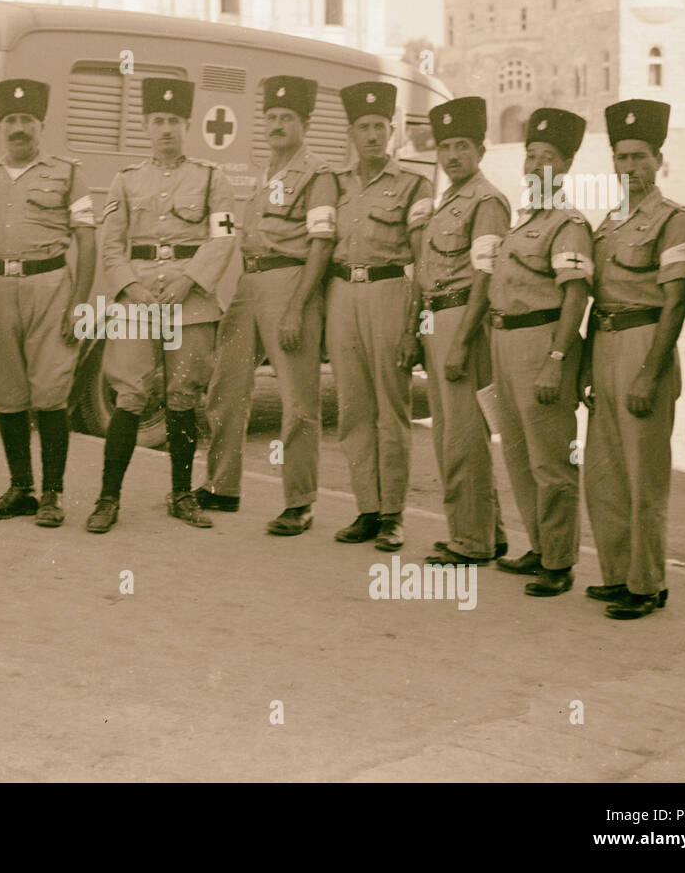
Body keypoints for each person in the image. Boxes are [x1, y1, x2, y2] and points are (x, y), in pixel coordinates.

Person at [87, 77, 237, 533]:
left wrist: (191, 279)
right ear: (147, 126)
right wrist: (128, 286)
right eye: (158, 121)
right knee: (130, 395)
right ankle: (107, 499)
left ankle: (181, 495)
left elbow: (225, 235)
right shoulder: (126, 179)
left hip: (190, 299)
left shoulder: (211, 177)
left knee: (182, 395)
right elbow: (110, 243)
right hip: (138, 296)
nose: (166, 129)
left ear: (187, 124)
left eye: (174, 120)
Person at [193, 75, 336, 536]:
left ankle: (300, 502)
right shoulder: (261, 172)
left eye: (286, 118)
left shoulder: (318, 174)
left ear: (305, 123)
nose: (277, 125)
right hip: (249, 282)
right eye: (271, 117)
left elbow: (320, 245)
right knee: (226, 386)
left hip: (289, 281)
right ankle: (222, 486)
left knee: (298, 399)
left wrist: (297, 305)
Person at [581, 100, 685, 619]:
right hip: (604, 344)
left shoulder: (676, 220)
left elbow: (675, 303)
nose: (629, 167)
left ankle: (647, 584)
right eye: (620, 157)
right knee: (603, 472)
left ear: (659, 160)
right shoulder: (607, 224)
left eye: (639, 157)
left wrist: (651, 372)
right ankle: (618, 574)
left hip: (643, 343)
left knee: (643, 473)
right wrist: (585, 366)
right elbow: (596, 298)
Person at [0, 79, 96, 527]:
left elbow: (87, 239)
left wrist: (80, 304)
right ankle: (20, 488)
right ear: (2, 126)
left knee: (50, 392)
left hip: (49, 287)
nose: (18, 128)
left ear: (41, 125)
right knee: (6, 392)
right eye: (10, 121)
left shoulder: (67, 173)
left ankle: (52, 495)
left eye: (26, 120)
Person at [492, 108, 593, 596]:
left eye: (547, 157)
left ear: (567, 165)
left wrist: (556, 360)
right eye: (530, 155)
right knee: (517, 454)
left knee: (551, 461)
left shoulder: (568, 224)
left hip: (542, 343)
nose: (535, 165)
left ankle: (559, 561)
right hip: (506, 341)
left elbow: (575, 295)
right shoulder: (522, 221)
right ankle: (537, 544)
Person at [329, 81, 433, 552]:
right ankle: (366, 509)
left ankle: (393, 515)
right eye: (363, 128)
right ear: (351, 132)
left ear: (392, 132)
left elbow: (422, 261)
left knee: (391, 409)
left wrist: (413, 323)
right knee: (352, 408)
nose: (371, 135)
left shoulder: (414, 185)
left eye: (379, 127)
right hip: (341, 293)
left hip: (390, 290)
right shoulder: (334, 184)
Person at [412, 96, 511, 565]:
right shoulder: (447, 199)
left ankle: (470, 543)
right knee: (450, 433)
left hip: (462, 321)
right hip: (438, 318)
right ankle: (486, 531)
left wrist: (462, 341)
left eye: (462, 146)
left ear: (481, 150)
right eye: (445, 146)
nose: (453, 155)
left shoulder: (486, 201)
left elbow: (485, 277)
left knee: (462, 437)